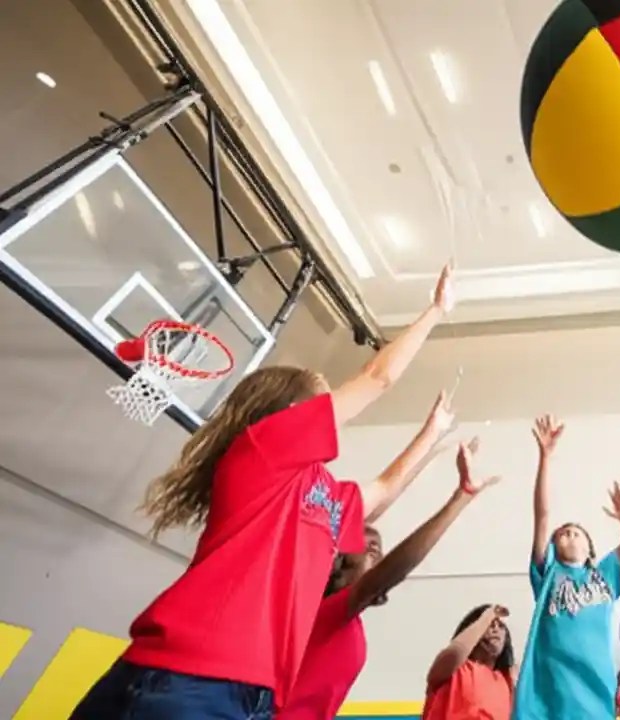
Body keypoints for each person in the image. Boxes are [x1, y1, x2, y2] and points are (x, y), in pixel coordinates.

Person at [70, 264, 458, 718]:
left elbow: (385, 490)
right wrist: (435, 311)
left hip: (246, 694)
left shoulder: (324, 493)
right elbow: (377, 378)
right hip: (190, 678)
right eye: (322, 397)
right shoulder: (262, 451)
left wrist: (432, 434)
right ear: (287, 411)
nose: (332, 405)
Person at [281, 439, 502, 719]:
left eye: (380, 549)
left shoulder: (346, 620)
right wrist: (462, 495)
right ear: (339, 559)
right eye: (370, 546)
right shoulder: (324, 610)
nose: (378, 552)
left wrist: (426, 453)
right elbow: (393, 568)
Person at [513, 414, 620, 720]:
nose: (568, 534)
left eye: (576, 532)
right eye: (562, 533)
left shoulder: (603, 574)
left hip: (594, 686)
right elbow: (542, 515)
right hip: (553, 687)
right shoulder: (550, 573)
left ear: (589, 547)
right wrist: (546, 457)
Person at [423, 604, 516, 720]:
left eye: (501, 626)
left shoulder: (506, 681)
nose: (495, 628)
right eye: (490, 624)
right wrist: (487, 616)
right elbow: (456, 652)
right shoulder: (455, 670)